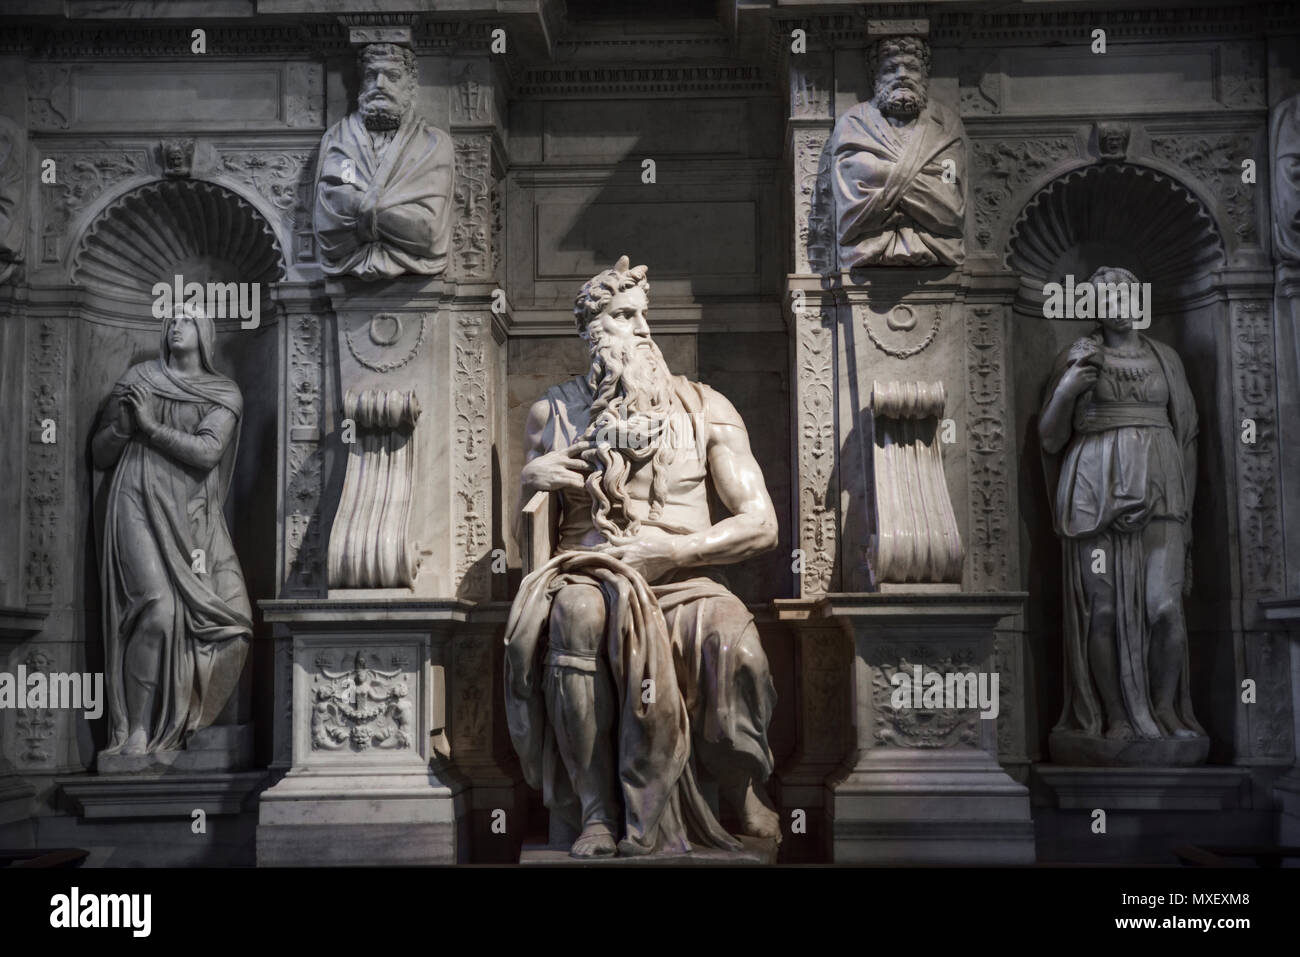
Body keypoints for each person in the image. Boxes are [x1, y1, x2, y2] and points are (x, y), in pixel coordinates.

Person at [504, 256, 781, 858]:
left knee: (737, 649)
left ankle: (738, 785)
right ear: (592, 332)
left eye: (644, 316)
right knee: (576, 618)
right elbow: (527, 546)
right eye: (625, 316)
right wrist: (534, 478)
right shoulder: (552, 414)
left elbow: (762, 524)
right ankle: (597, 811)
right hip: (590, 571)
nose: (644, 330)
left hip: (686, 577)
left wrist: (674, 549)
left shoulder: (706, 407)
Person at [1039, 266, 1204, 756]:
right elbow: (1050, 438)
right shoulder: (1078, 357)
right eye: (1106, 297)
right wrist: (1069, 387)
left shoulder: (1166, 358)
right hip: (1095, 492)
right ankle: (1112, 714)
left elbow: (1188, 436)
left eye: (1125, 294)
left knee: (1165, 607)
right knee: (1104, 611)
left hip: (1162, 491)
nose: (1118, 303)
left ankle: (1165, 707)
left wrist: (1187, 509)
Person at [92, 302, 252, 756]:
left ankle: (189, 726)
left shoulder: (225, 392)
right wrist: (123, 430)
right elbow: (99, 455)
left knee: (235, 626)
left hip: (194, 516)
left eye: (187, 319)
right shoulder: (139, 379)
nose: (176, 325)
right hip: (135, 500)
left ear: (205, 333)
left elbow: (206, 453)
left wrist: (148, 425)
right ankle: (137, 730)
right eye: (172, 318)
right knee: (158, 611)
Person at [313, 42, 453, 279]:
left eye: (392, 76)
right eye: (371, 75)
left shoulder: (433, 144)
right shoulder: (338, 139)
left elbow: (429, 231)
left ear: (410, 87)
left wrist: (361, 208)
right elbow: (330, 223)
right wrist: (396, 214)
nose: (379, 84)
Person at [828, 35, 966, 267]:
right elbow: (853, 199)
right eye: (891, 68)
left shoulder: (945, 123)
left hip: (938, 250)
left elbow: (949, 203)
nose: (902, 75)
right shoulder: (854, 122)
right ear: (876, 76)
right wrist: (921, 181)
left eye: (911, 68)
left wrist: (880, 176)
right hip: (863, 252)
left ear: (924, 75)